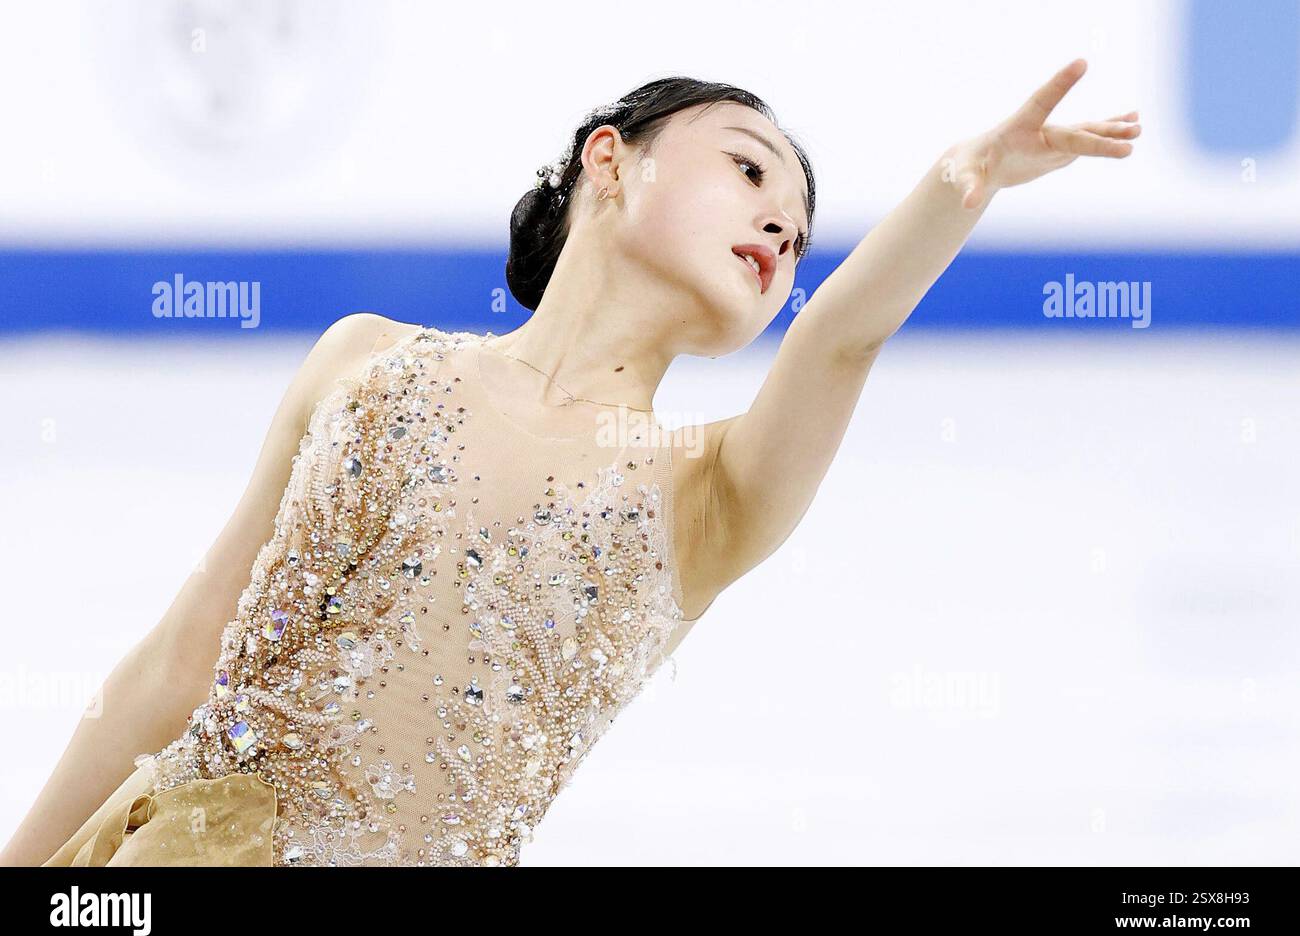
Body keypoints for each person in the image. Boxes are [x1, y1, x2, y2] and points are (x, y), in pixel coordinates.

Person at [3, 62, 1138, 867]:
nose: (776, 231)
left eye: (794, 236)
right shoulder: (364, 360)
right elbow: (178, 657)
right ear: (612, 159)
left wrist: (961, 183)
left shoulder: (707, 491)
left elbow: (843, 334)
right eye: (748, 174)